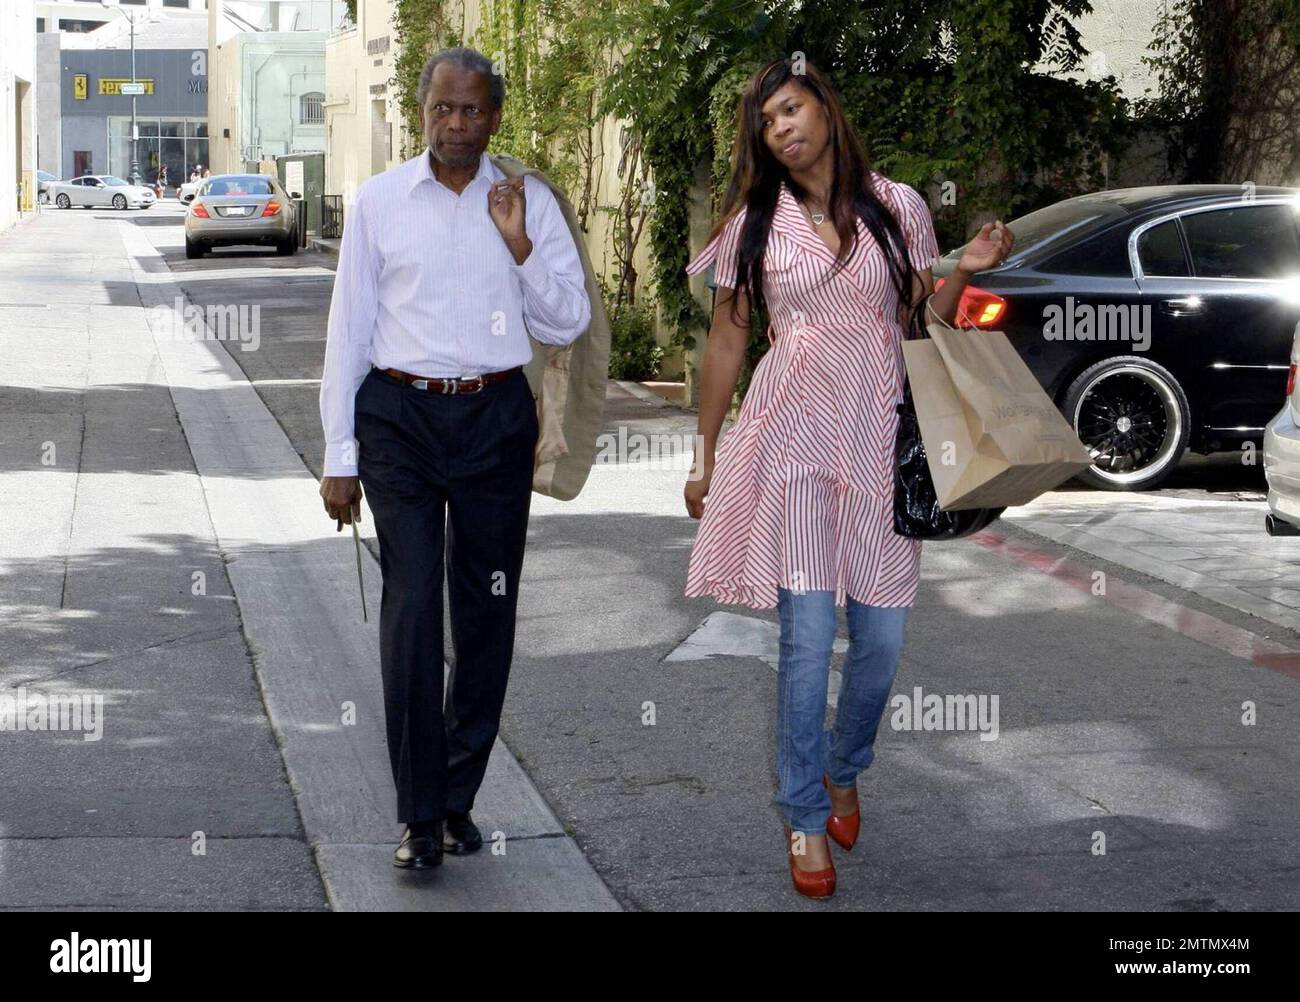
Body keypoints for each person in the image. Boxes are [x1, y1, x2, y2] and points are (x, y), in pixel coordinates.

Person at [682, 57, 1013, 899]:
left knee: (881, 643)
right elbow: (727, 342)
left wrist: (963, 268)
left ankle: (843, 765)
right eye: (766, 122)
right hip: (792, 438)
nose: (781, 129)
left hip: (878, 439)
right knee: (802, 642)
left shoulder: (896, 206)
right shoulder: (753, 222)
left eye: (791, 109)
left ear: (825, 107)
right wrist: (704, 453)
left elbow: (919, 322)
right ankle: (802, 817)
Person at [318, 46, 590, 870]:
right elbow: (349, 329)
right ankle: (418, 815)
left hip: (494, 422)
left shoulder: (530, 202)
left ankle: (456, 792)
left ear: (494, 118)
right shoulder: (377, 203)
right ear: (423, 110)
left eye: (473, 111)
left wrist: (520, 246)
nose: (457, 125)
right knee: (412, 603)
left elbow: (567, 321)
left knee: (486, 611)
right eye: (444, 109)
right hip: (398, 417)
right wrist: (340, 453)